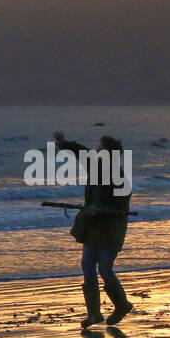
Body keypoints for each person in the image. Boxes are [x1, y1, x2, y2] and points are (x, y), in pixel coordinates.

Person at [53, 130, 134, 327]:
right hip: (93, 226)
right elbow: (82, 152)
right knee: (87, 264)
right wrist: (65, 144)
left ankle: (122, 305)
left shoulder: (118, 175)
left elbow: (121, 204)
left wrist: (101, 210)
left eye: (100, 148)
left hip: (111, 228)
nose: (96, 150)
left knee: (105, 268)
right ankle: (94, 314)